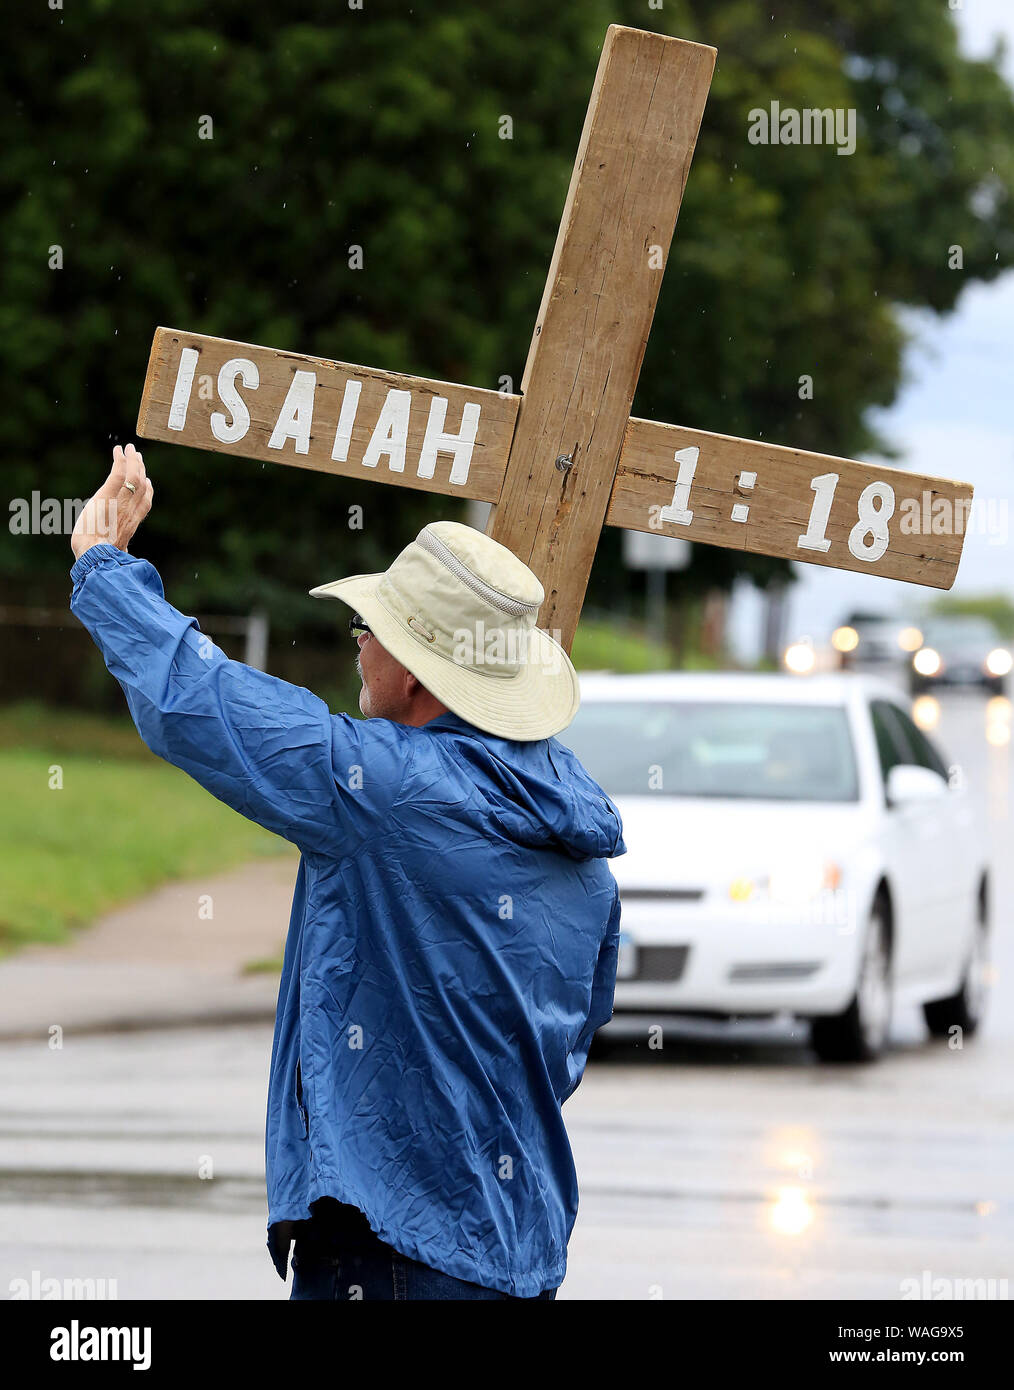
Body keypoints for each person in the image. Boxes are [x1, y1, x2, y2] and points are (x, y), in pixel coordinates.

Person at [69, 442, 626, 1301]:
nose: (357, 644)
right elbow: (563, 1048)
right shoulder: (583, 856)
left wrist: (104, 567)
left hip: (394, 1256)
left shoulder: (389, 789)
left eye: (369, 629)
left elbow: (205, 703)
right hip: (520, 1253)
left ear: (411, 672)